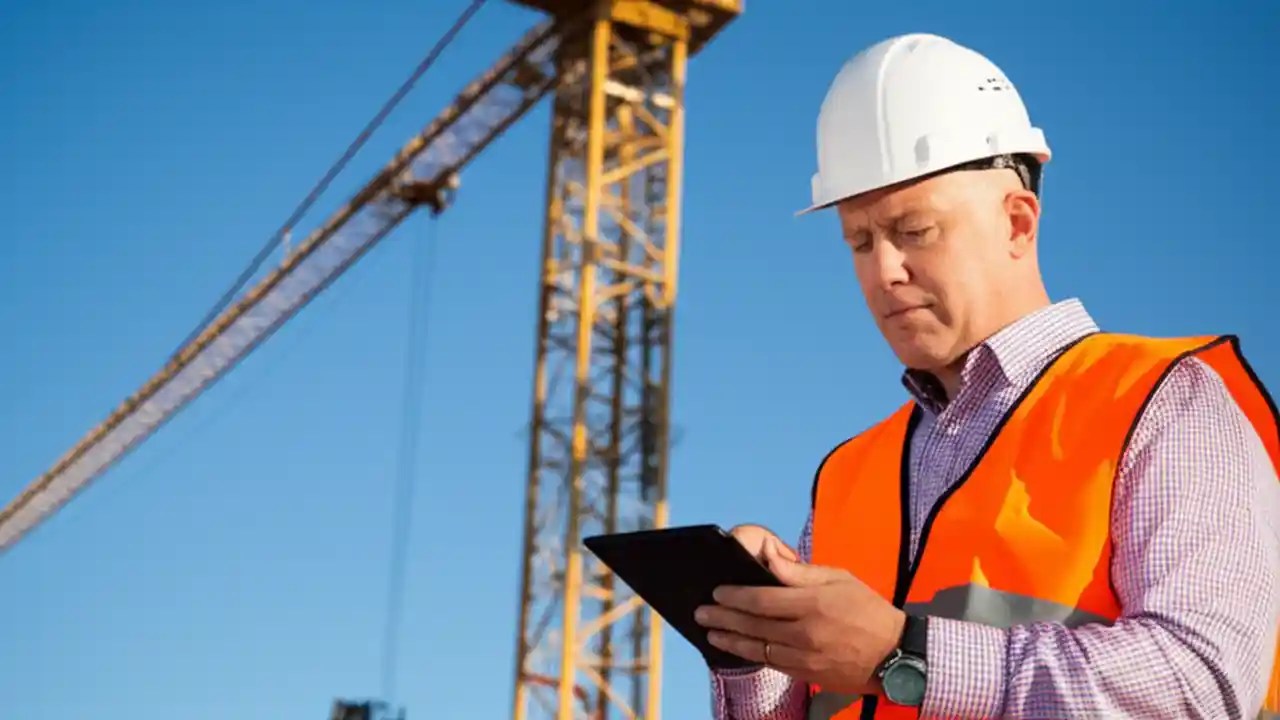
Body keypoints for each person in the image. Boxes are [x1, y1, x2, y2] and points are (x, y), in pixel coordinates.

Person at [692, 32, 1280, 719]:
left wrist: (901, 655)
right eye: (860, 241)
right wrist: (751, 641)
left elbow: (1200, 685)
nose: (884, 270)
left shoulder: (1162, 402)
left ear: (1018, 223)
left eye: (915, 231)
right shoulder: (850, 476)